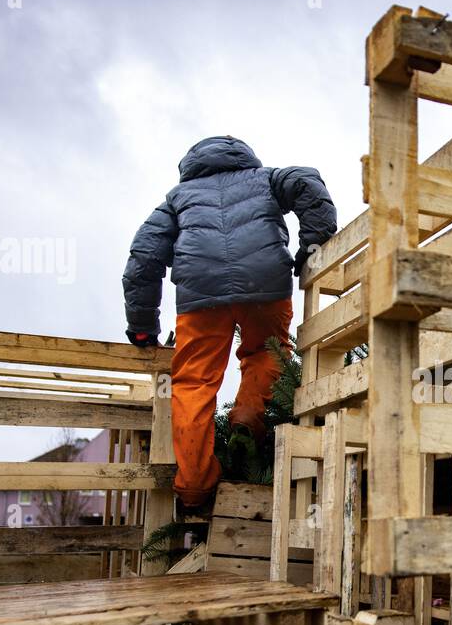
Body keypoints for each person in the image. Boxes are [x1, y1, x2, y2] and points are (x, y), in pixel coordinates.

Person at [121, 135, 336, 515]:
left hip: (199, 296)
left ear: (191, 166)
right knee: (265, 352)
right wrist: (312, 246)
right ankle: (248, 421)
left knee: (193, 383)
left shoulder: (176, 200)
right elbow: (306, 181)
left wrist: (142, 329)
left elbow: (143, 260)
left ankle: (194, 489)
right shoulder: (265, 179)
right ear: (243, 158)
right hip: (265, 282)